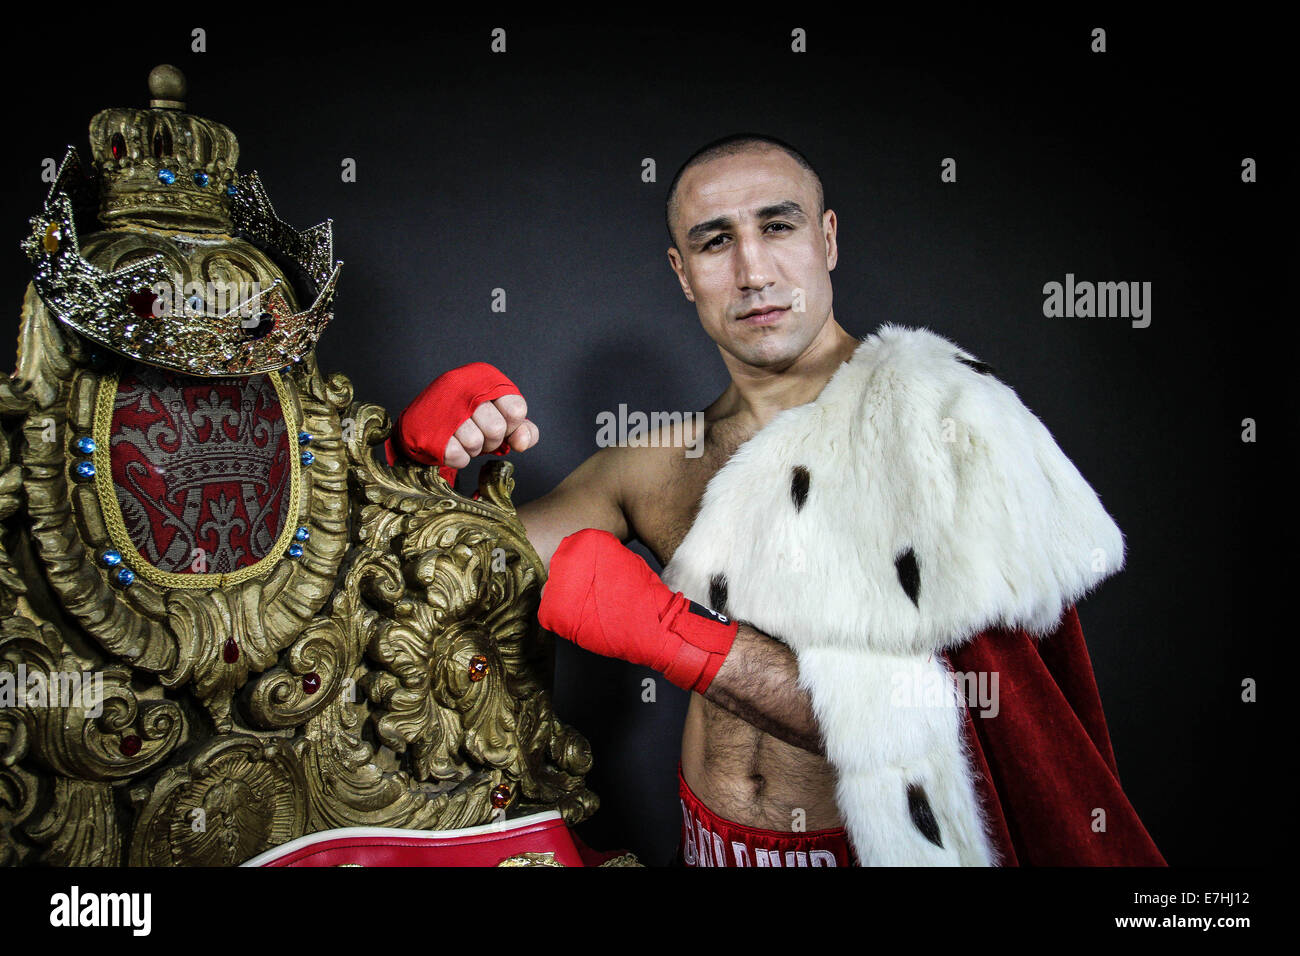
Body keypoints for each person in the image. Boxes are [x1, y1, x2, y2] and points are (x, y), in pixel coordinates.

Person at [389, 134, 1165, 866]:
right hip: (708, 842)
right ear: (682, 271)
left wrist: (677, 636)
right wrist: (420, 465)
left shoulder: (940, 421)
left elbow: (969, 725)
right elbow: (447, 571)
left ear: (827, 239)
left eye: (777, 226)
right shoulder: (654, 464)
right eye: (715, 241)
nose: (753, 271)